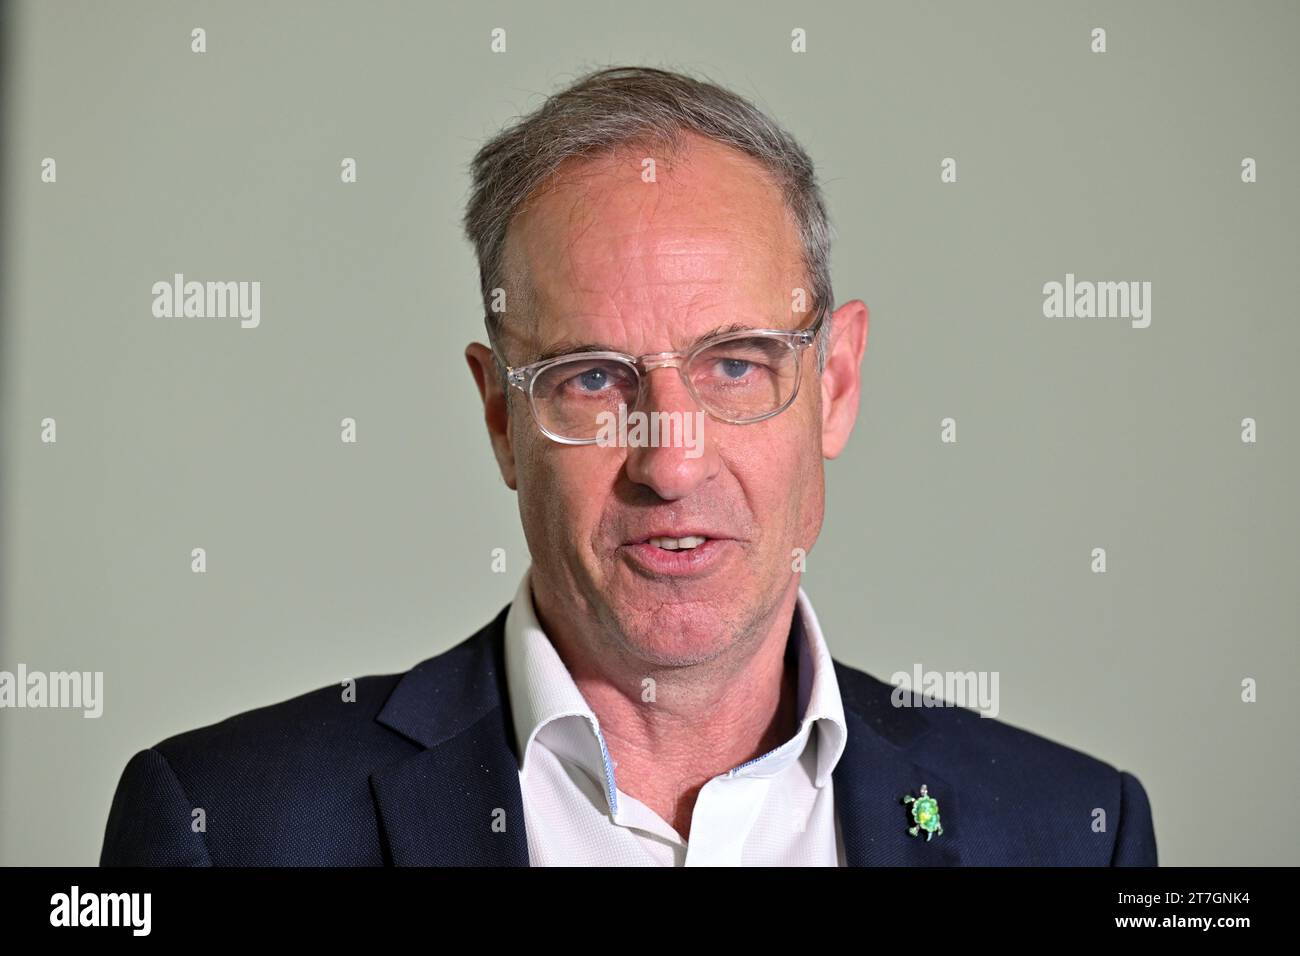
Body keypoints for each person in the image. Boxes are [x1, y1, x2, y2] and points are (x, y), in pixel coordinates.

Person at [101, 65, 1156, 866]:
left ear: (834, 383)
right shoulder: (227, 827)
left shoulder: (1072, 831)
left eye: (735, 364)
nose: (671, 461)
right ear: (500, 416)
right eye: (594, 380)